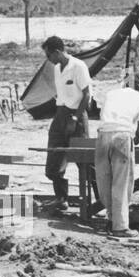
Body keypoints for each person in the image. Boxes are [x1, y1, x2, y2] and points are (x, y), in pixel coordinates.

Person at [92, 65, 139, 237]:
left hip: (102, 136)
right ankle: (120, 227)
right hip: (122, 137)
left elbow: (103, 115)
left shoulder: (111, 94)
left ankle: (111, 220)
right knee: (121, 183)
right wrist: (135, 142)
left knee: (105, 181)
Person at [40, 36, 92, 214]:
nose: (48, 59)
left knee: (85, 161)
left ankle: (102, 201)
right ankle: (61, 199)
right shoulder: (56, 68)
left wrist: (75, 119)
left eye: (49, 55)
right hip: (60, 114)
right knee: (54, 158)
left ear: (57, 52)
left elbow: (87, 95)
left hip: (76, 116)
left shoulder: (78, 66)